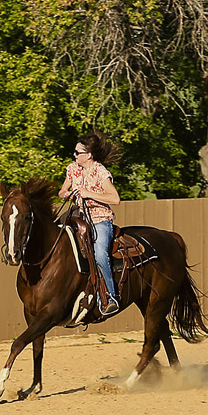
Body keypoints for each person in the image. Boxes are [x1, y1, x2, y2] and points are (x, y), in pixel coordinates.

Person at [58, 131, 122, 317]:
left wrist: (88, 193)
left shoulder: (101, 172)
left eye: (78, 153)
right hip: (79, 217)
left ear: (89, 155)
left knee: (100, 254)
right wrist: (67, 195)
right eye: (75, 152)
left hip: (100, 219)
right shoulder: (72, 169)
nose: (74, 155)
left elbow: (115, 198)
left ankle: (111, 298)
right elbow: (62, 191)